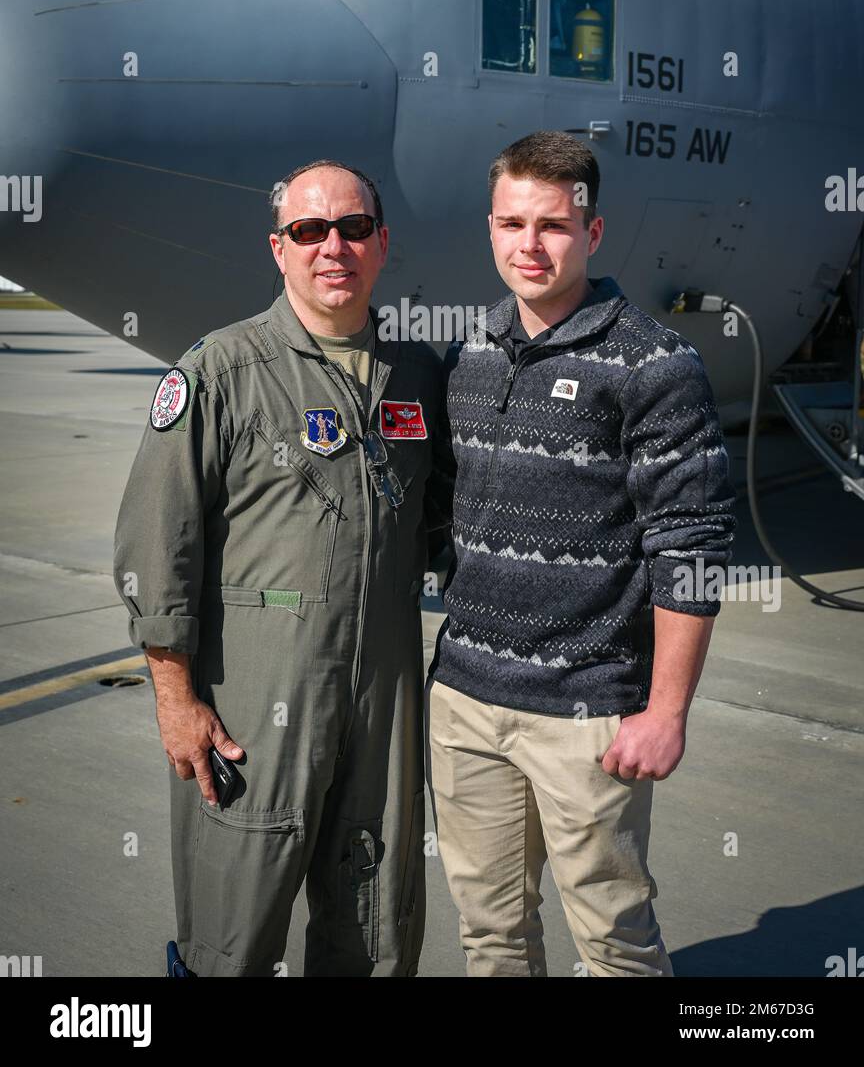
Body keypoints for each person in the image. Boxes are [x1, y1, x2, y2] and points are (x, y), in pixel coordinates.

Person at [114, 160, 452, 977]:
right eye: (309, 230)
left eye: (353, 228)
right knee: (235, 930)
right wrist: (176, 701)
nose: (332, 246)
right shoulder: (220, 372)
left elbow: (451, 528)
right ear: (279, 248)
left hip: (385, 711)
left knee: (374, 927)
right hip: (254, 713)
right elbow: (155, 551)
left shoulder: (420, 377)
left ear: (381, 243)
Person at [426, 131, 737, 977]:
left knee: (614, 942)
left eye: (554, 226)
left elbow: (693, 550)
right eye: (512, 223)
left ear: (592, 234)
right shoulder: (471, 356)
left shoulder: (653, 364)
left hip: (586, 713)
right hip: (465, 702)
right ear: (489, 229)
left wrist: (666, 713)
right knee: (489, 934)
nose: (530, 245)